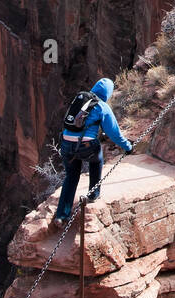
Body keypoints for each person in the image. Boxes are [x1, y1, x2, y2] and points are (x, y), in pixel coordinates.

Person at [51, 78, 133, 228]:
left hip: (66, 143)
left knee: (71, 176)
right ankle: (93, 194)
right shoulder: (102, 106)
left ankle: (61, 216)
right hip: (86, 145)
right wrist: (127, 147)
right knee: (96, 161)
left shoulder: (80, 98)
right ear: (108, 92)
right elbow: (113, 133)